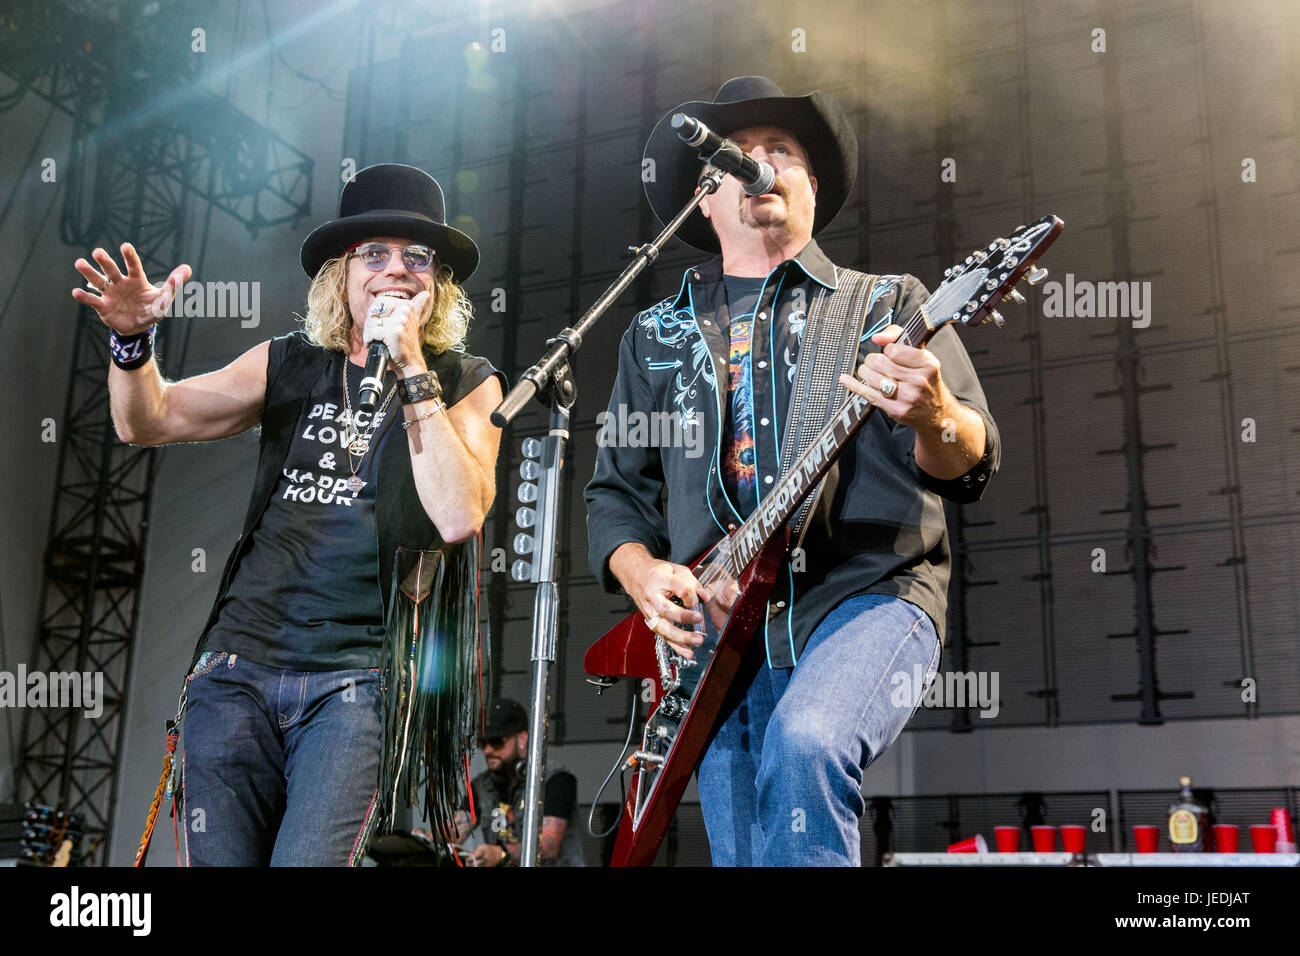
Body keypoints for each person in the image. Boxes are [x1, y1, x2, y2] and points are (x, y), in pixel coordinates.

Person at [584, 77, 1001, 866]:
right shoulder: (655, 334)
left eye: (783, 152)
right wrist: (639, 573)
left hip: (867, 593)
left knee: (807, 745)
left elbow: (971, 465)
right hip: (715, 635)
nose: (760, 165)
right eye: (739, 156)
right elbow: (615, 493)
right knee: (743, 845)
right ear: (704, 197)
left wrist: (933, 412)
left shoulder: (889, 306)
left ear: (813, 187)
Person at [74, 163, 504, 866]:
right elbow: (146, 421)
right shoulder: (292, 363)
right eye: (375, 254)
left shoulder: (464, 381)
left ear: (437, 285)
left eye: (416, 258)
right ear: (342, 274)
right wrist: (132, 345)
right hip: (236, 669)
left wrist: (409, 367)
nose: (395, 271)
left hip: (354, 682)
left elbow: (458, 514)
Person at [449, 699, 585, 866]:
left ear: (522, 739)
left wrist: (501, 853)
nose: (487, 750)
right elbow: (454, 831)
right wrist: (427, 838)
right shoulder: (481, 786)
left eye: (497, 741)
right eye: (482, 743)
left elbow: (549, 845)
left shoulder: (555, 780)